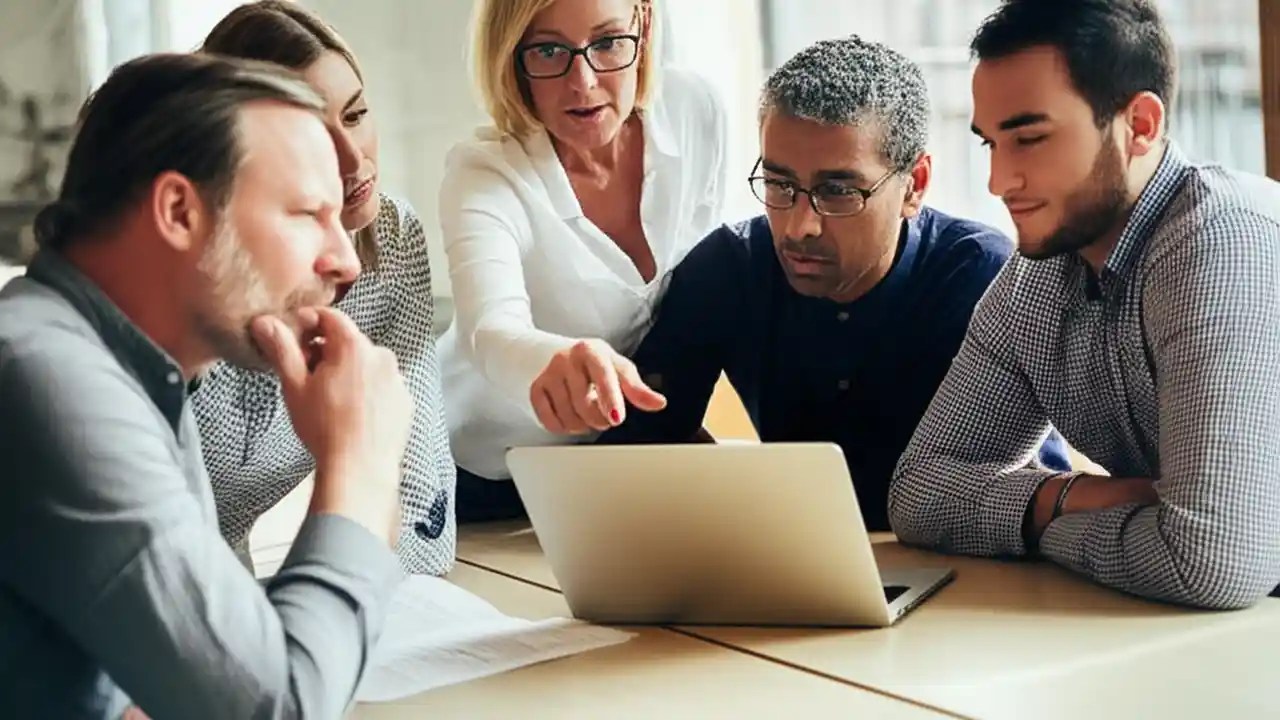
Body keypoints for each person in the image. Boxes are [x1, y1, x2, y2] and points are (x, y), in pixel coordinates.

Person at [0, 53, 410, 717]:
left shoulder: (137, 368)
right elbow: (276, 706)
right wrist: (359, 463)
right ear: (179, 211)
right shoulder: (48, 380)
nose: (343, 263)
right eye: (308, 213)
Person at [550, 35, 1068, 531]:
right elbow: (640, 444)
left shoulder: (983, 277)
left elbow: (1024, 487)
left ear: (916, 185)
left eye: (838, 191)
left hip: (983, 572)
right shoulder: (728, 268)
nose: (800, 226)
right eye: (779, 186)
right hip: (803, 566)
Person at [890, 0, 1280, 609]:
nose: (998, 181)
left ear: (1140, 126)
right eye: (991, 144)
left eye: (1029, 138)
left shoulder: (1220, 241)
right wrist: (1066, 497)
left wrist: (1036, 528)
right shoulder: (1035, 277)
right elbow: (918, 494)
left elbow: (1211, 561)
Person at [437, 0, 728, 521]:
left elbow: (698, 285)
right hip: (477, 477)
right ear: (510, 57)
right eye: (549, 50)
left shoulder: (693, 110)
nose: (583, 81)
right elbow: (490, 331)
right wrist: (554, 361)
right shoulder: (484, 176)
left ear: (643, 22)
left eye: (609, 41)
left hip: (602, 464)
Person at [193, 0, 455, 575]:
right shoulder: (193, 278)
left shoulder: (391, 236)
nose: (352, 156)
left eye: (356, 114)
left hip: (248, 592)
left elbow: (421, 490)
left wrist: (385, 597)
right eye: (312, 131)